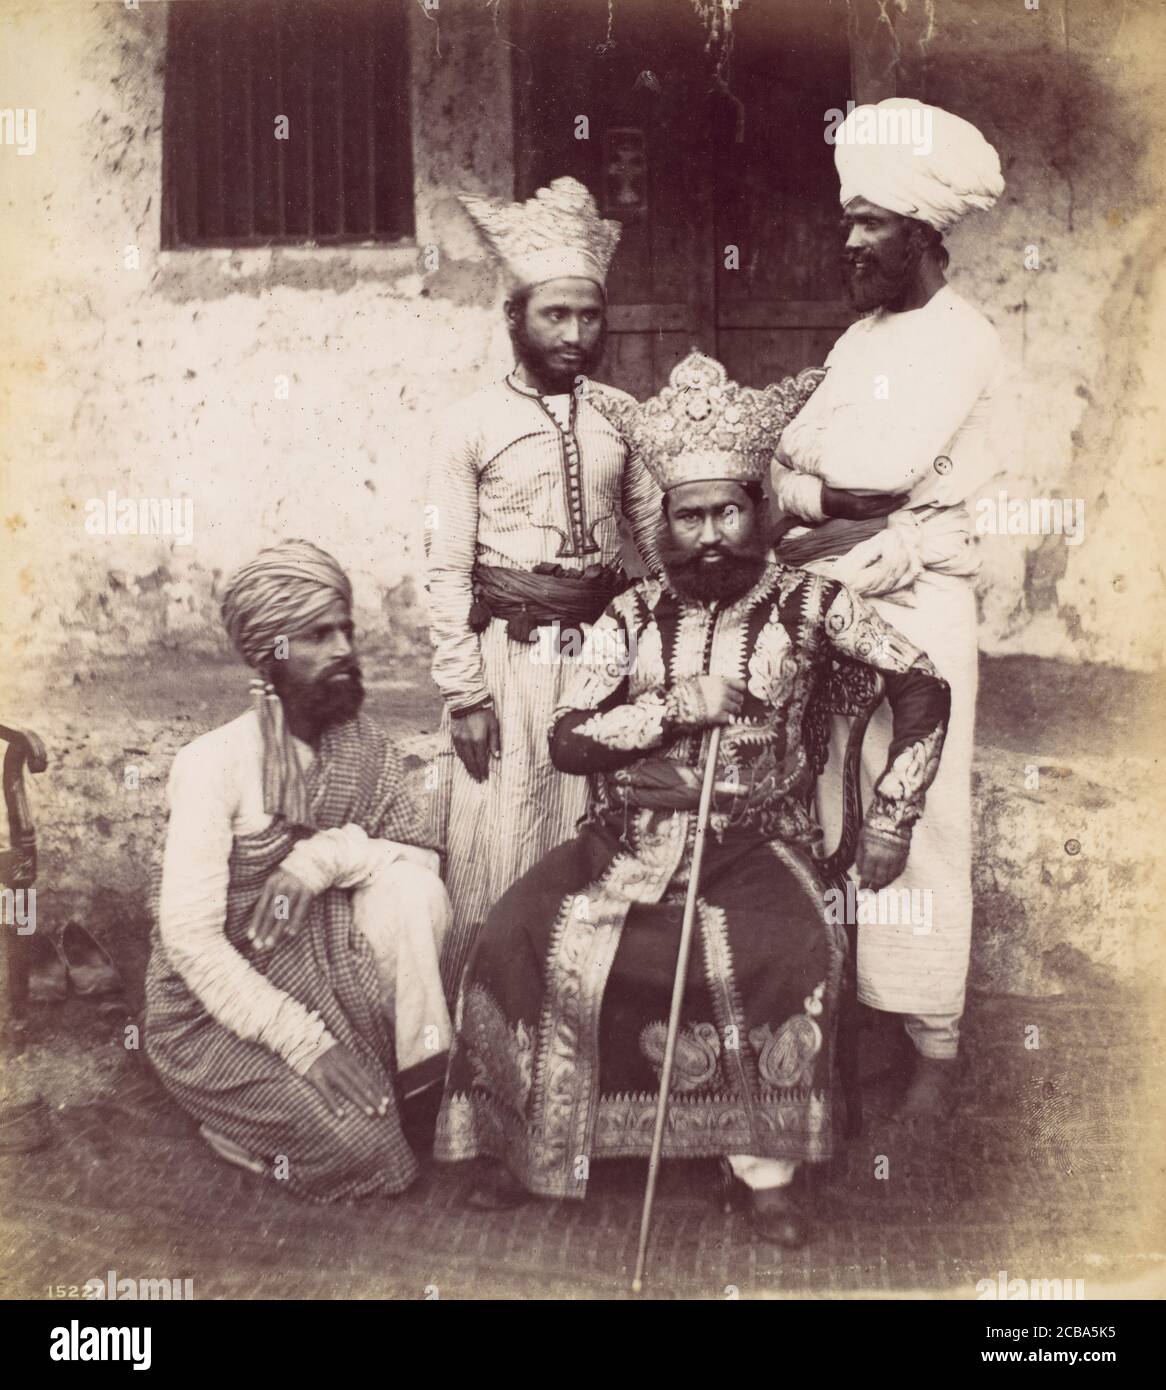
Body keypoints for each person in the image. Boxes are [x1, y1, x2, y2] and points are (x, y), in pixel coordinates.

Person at [434, 353, 951, 1246]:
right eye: (689, 515)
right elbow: (568, 738)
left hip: (760, 843)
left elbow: (924, 688)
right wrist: (674, 709)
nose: (709, 534)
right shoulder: (629, 614)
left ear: (756, 511)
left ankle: (765, 1169)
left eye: (727, 511)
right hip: (625, 840)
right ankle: (533, 1147)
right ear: (664, 521)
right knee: (518, 931)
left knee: (789, 947)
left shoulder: (813, 603)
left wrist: (896, 815)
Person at [774, 98, 1005, 1126]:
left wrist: (813, 498)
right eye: (847, 219)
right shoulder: (860, 337)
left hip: (920, 605)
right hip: (836, 598)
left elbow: (874, 474)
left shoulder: (958, 340)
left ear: (924, 231)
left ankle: (934, 1046)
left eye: (871, 220)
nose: (850, 238)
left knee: (917, 816)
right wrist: (820, 503)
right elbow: (785, 459)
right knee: (835, 799)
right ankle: (855, 1015)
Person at [144, 540, 451, 1202]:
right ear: (268, 653)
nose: (343, 648)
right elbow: (190, 943)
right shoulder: (214, 763)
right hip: (217, 1008)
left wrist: (313, 864)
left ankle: (373, 1082)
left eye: (345, 628)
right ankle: (225, 1122)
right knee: (370, 1154)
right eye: (317, 635)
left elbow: (421, 858)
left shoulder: (362, 745)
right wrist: (308, 1046)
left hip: (328, 971)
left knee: (411, 889)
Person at [425, 176, 661, 1002]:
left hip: (599, 662)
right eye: (554, 315)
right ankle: (482, 1032)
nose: (573, 333)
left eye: (588, 315)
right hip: (506, 660)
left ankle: (583, 1026)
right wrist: (464, 695)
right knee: (500, 840)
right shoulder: (469, 424)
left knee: (590, 837)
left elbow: (658, 543)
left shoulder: (622, 417)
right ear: (514, 317)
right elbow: (446, 567)